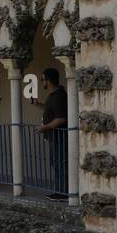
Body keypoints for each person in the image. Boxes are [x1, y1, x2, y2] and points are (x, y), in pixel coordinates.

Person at [35, 67, 68, 200]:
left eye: (43, 79)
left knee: (60, 163)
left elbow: (61, 118)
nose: (42, 82)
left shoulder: (59, 96)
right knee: (56, 163)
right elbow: (51, 111)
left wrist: (45, 127)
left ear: (48, 80)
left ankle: (63, 193)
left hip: (59, 137)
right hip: (54, 137)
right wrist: (38, 105)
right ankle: (60, 191)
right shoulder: (53, 95)